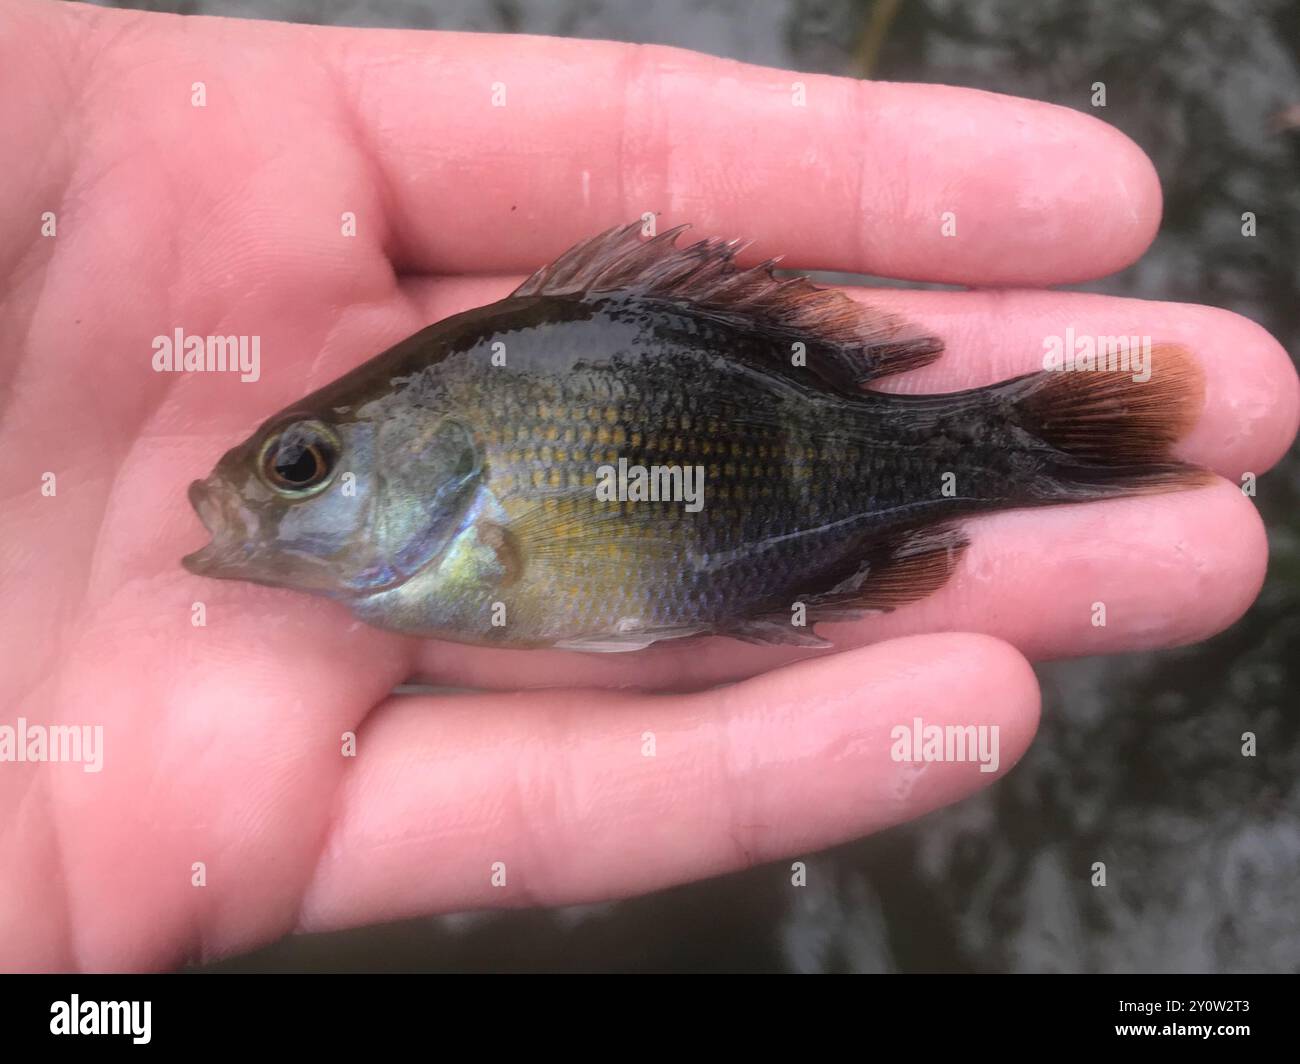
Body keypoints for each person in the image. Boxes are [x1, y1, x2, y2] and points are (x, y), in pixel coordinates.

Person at [1, 0, 1295, 971]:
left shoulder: (466, 499)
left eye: (304, 466)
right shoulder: (446, 525)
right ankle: (1071, 447)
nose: (275, 492)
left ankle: (1052, 443)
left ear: (413, 455)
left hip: (798, 465)